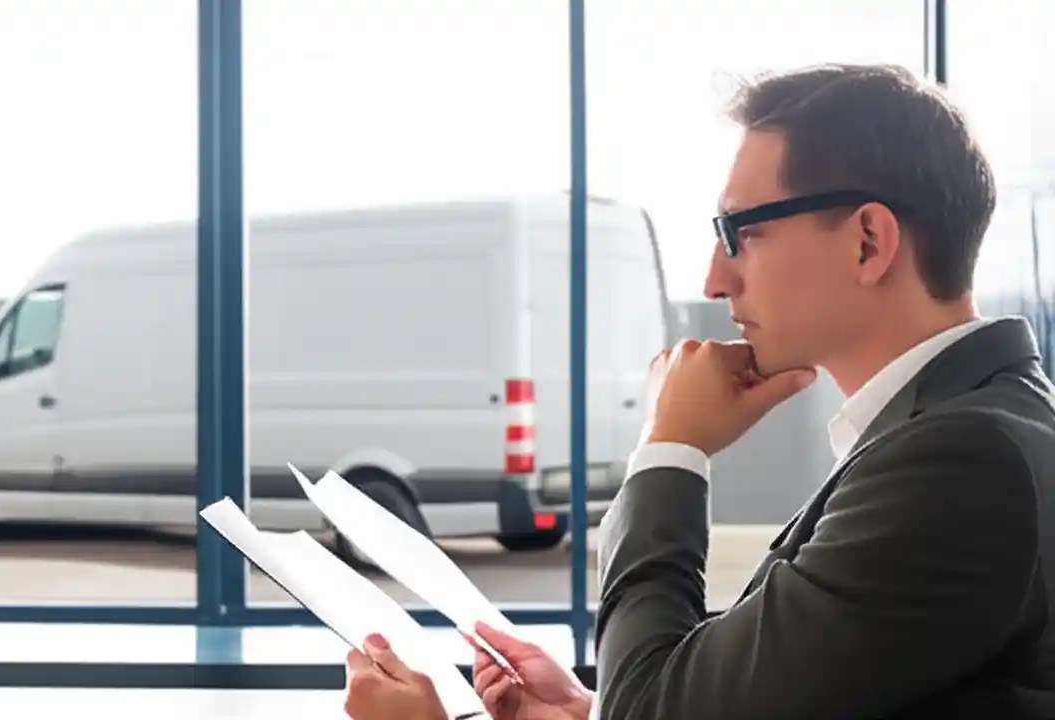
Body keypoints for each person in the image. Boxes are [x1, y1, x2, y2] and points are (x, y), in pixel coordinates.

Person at [342, 63, 1055, 719]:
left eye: (740, 232)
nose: (716, 279)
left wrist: (669, 448)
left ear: (868, 240)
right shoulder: (968, 430)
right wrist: (599, 711)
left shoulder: (961, 463)